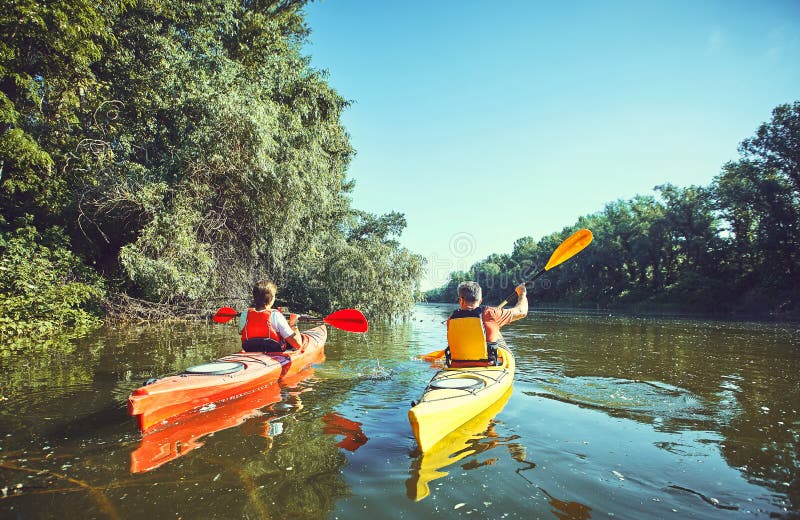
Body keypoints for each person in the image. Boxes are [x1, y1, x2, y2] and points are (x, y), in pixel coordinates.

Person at [445, 281, 528, 367]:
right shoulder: (490, 313)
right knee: (497, 333)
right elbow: (522, 312)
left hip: (456, 367)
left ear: (461, 301)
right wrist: (522, 293)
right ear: (480, 301)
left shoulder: (450, 320)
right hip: (486, 368)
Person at [239, 280, 303, 352]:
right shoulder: (276, 315)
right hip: (273, 355)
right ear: (271, 298)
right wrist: (293, 324)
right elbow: (298, 344)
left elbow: (243, 333)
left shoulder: (244, 314)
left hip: (250, 351)